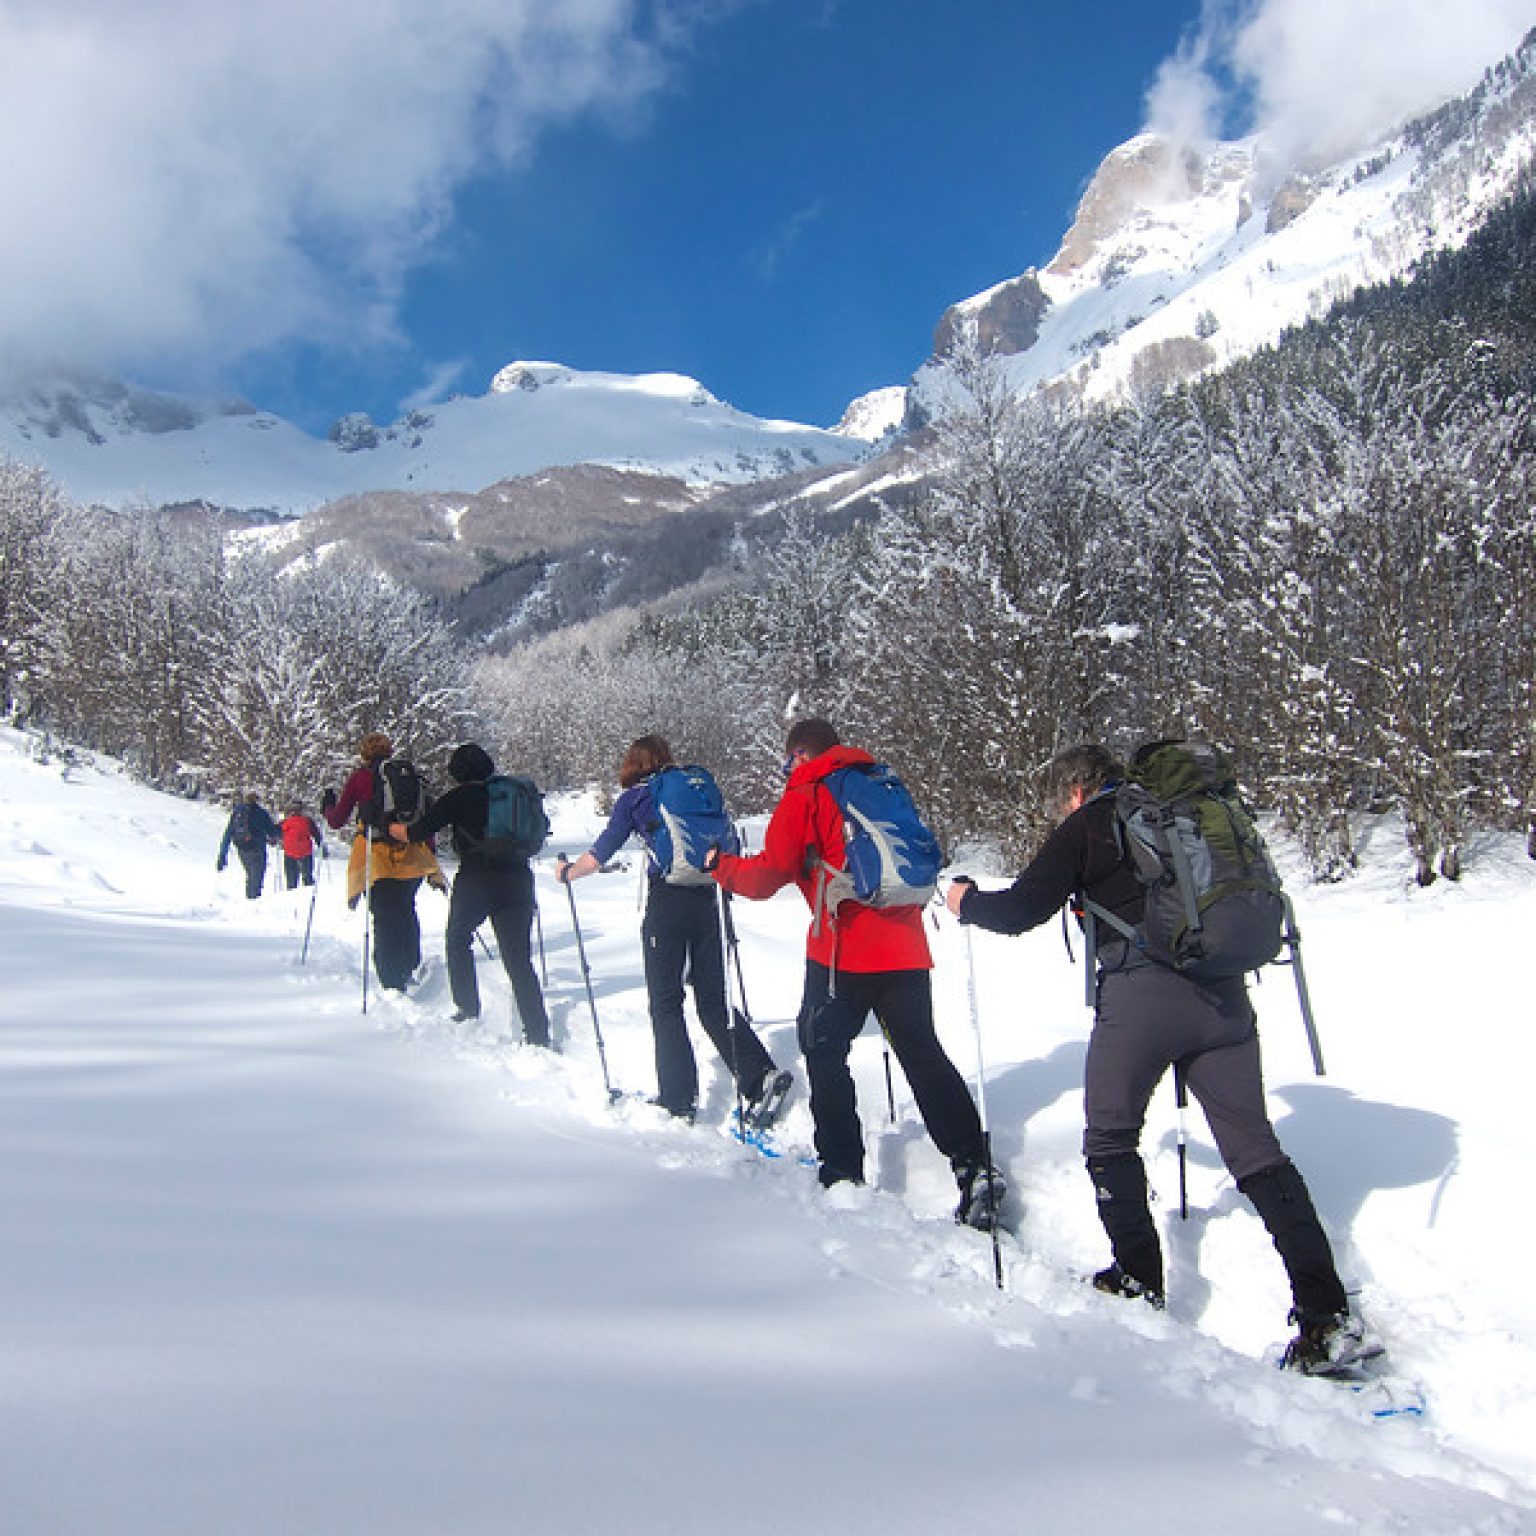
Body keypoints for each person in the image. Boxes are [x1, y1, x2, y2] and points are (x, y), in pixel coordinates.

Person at [945, 742, 1371, 1373]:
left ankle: (1138, 1279)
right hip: (1224, 999)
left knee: (1110, 1139)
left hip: (1141, 1003)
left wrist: (966, 902)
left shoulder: (1090, 825)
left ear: (1077, 790)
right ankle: (1327, 1317)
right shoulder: (1189, 815)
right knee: (1258, 1154)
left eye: (1060, 798)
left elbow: (1021, 911)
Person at [710, 718, 1003, 1227]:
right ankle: (974, 1166)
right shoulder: (880, 780)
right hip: (907, 947)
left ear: (798, 756)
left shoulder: (807, 791)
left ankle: (842, 1172)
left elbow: (765, 876)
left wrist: (721, 866)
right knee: (922, 1053)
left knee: (823, 1051)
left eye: (787, 763)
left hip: (840, 952)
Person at [557, 735, 790, 1123]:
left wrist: (568, 872)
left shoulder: (635, 798)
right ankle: (760, 1077)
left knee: (665, 1001)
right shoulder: (695, 789)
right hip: (711, 896)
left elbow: (602, 851)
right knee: (713, 999)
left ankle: (678, 1098)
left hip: (668, 901)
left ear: (632, 764)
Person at [388, 742, 552, 1046]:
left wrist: (393, 828)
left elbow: (418, 831)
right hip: (518, 879)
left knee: (457, 938)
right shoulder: (510, 794)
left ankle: (467, 1007)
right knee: (518, 959)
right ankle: (538, 1031)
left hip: (477, 878)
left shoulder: (460, 796)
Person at [322, 732, 444, 993]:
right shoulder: (407, 776)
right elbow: (425, 817)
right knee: (406, 909)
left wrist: (327, 806)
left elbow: (336, 820)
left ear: (364, 754)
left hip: (377, 859)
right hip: (412, 857)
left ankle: (391, 979)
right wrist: (430, 860)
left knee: (384, 918)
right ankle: (410, 963)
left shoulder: (361, 778)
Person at [216, 792, 280, 899]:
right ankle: (253, 903)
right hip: (256, 848)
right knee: (256, 878)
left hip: (242, 849)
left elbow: (228, 833)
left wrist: (222, 855)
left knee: (251, 876)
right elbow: (272, 832)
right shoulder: (260, 813)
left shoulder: (237, 813)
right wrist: (280, 829)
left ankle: (251, 900)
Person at [279, 803, 326, 889]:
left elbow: (277, 834)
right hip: (305, 851)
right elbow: (316, 835)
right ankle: (308, 890)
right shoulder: (307, 821)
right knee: (307, 876)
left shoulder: (285, 822)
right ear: (301, 811)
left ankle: (291, 892)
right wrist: (322, 847)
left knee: (291, 879)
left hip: (290, 852)